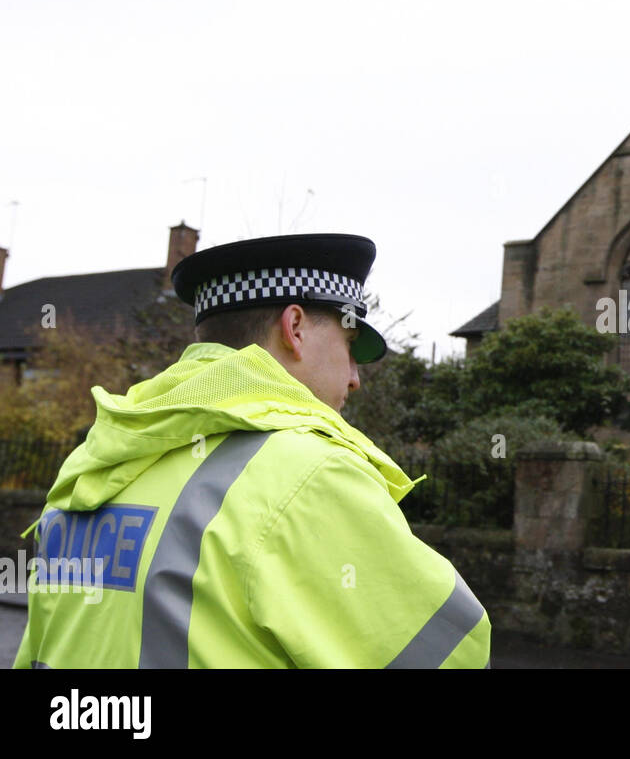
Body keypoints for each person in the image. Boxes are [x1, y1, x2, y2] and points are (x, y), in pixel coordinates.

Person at [13, 233, 490, 668]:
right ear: (295, 328)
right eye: (349, 344)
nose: (354, 378)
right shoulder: (311, 476)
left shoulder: (88, 472)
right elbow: (454, 658)